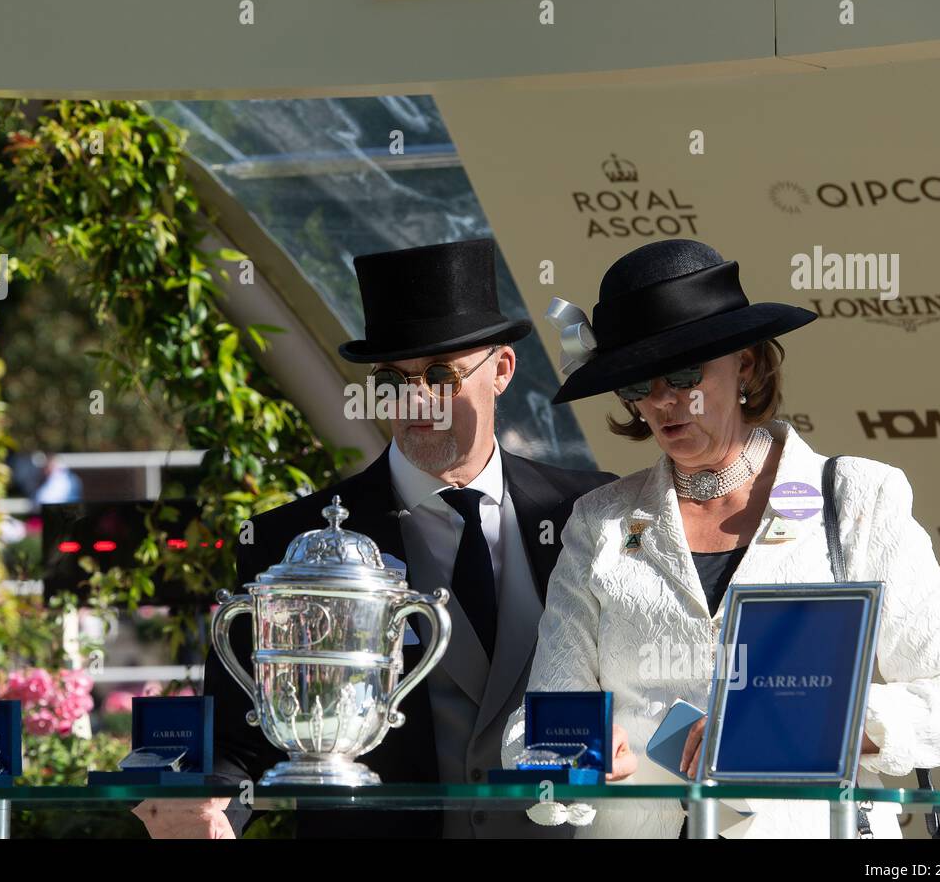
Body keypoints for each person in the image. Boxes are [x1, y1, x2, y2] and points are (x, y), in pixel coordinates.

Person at [503, 239, 940, 838]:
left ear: (747, 362)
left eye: (683, 374)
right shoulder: (599, 521)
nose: (662, 401)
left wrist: (788, 722)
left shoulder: (858, 499)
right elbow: (538, 730)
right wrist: (576, 757)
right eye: (636, 384)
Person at [133, 237, 615, 839]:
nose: (416, 399)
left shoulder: (590, 512)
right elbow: (243, 735)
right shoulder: (289, 540)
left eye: (440, 375)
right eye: (392, 378)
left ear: (502, 370)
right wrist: (204, 804)